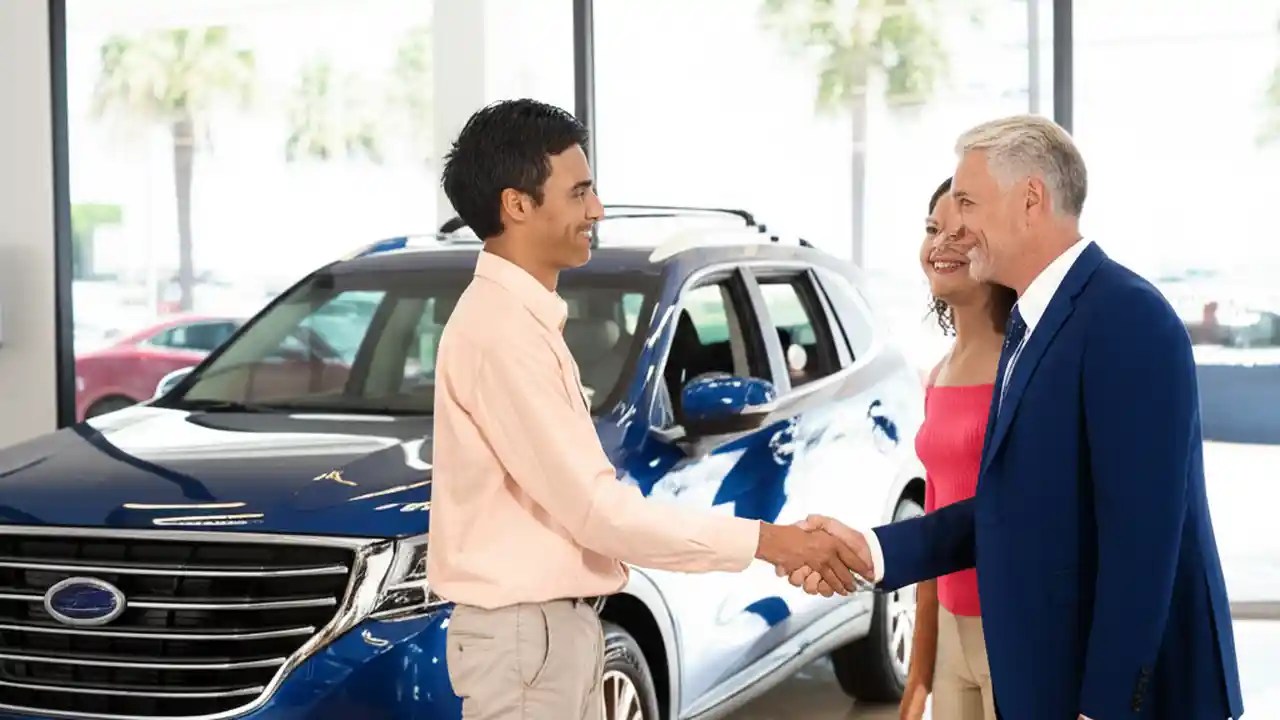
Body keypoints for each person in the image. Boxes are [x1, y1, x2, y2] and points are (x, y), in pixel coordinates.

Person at [426, 98, 871, 720]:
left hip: (545, 642)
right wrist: (770, 542)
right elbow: (598, 512)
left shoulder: (520, 322)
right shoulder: (503, 333)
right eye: (579, 192)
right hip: (528, 645)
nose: (596, 210)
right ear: (517, 204)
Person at [792, 115, 1243, 720]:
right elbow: (1013, 506)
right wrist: (874, 550)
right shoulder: (1031, 327)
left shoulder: (1128, 318)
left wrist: (1103, 708)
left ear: (1030, 199)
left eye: (969, 203)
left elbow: (1143, 542)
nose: (957, 229)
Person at [898, 178, 1016, 720]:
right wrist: (919, 673)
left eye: (960, 232)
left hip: (1012, 629)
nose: (940, 243)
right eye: (932, 228)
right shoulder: (940, 373)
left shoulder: (1022, 371)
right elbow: (935, 528)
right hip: (950, 631)